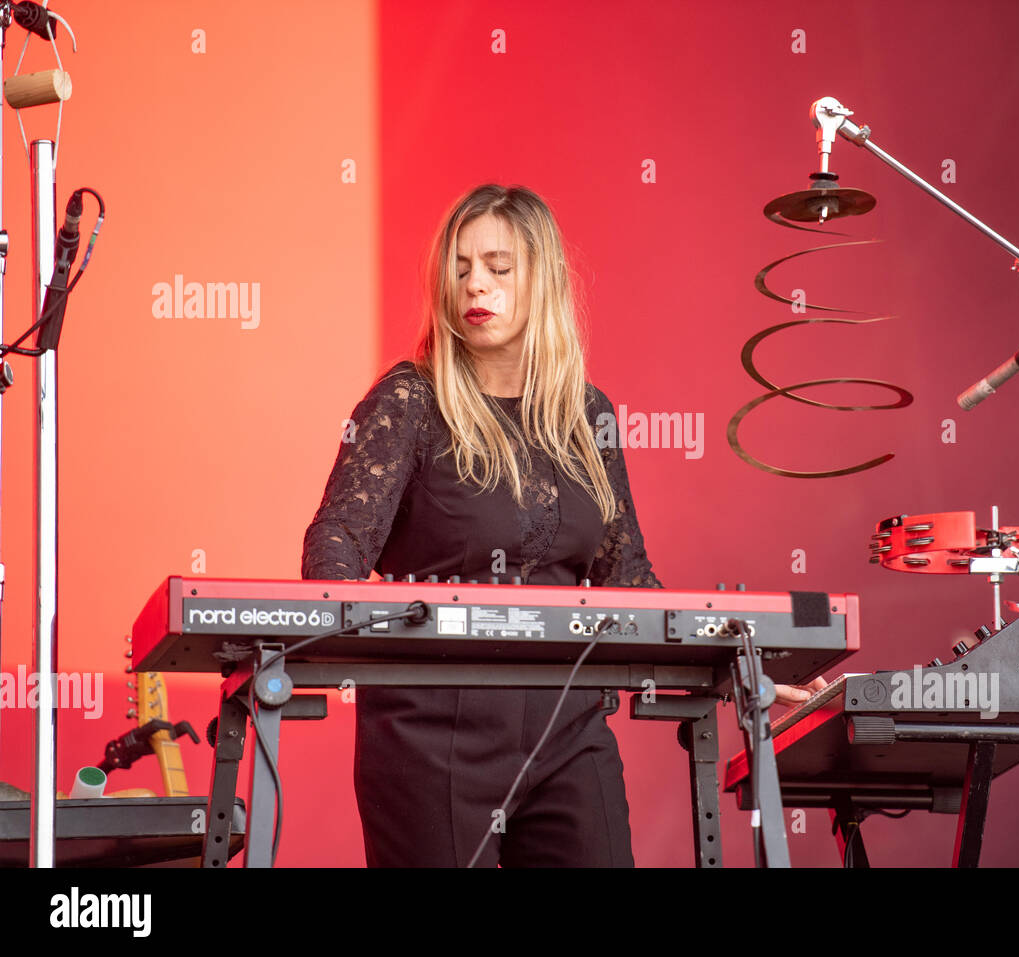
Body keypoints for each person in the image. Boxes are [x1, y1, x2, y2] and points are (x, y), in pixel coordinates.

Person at [303, 182, 821, 868]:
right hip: (429, 736)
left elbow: (626, 571)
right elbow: (334, 540)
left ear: (540, 278)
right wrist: (352, 645)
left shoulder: (586, 413)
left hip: (566, 726)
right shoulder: (411, 399)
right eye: (458, 269)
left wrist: (744, 664)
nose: (474, 285)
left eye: (497, 266)